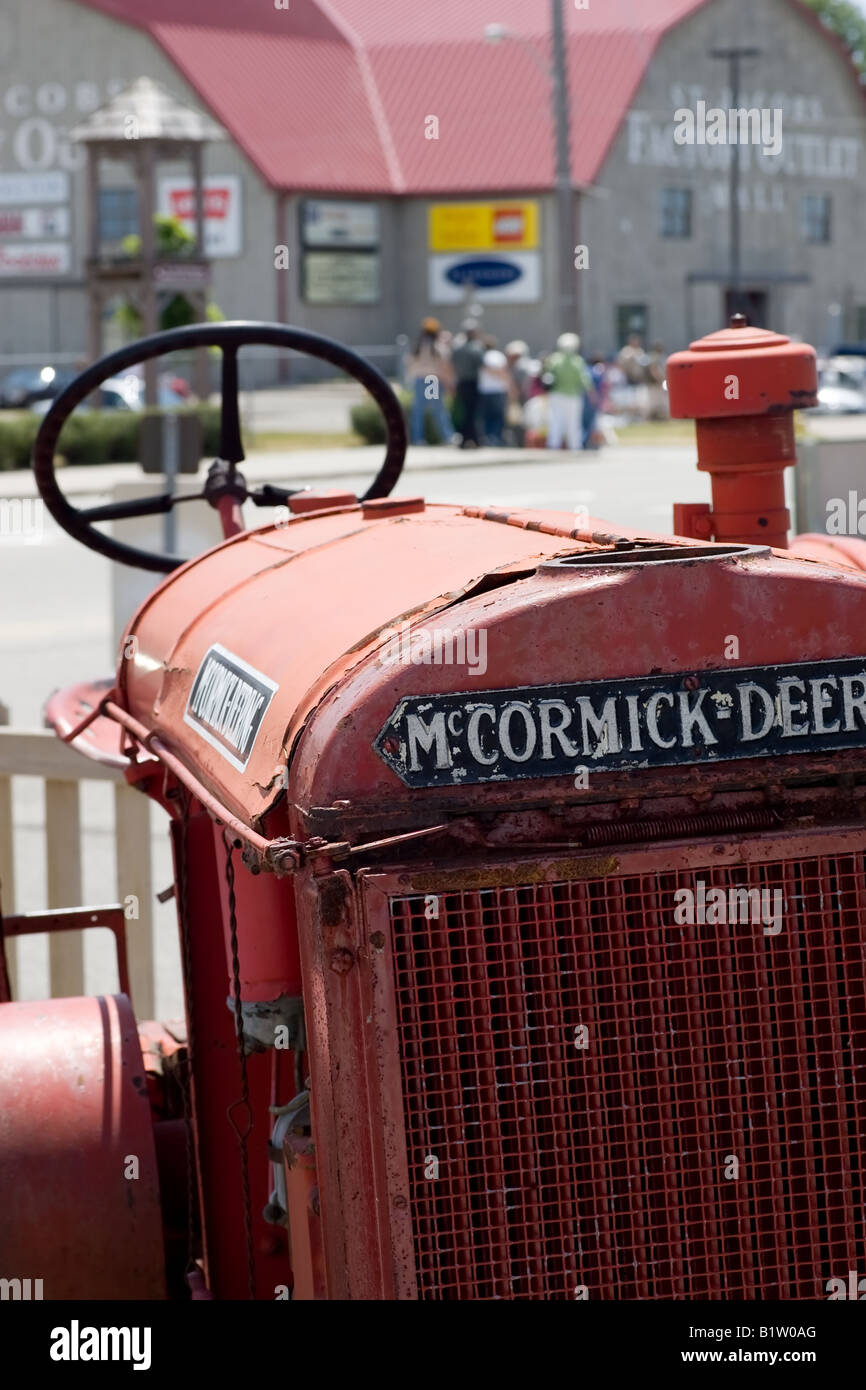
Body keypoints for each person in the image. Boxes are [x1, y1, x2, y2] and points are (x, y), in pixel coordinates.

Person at [406, 317, 454, 444]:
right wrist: (449, 382)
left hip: (419, 379)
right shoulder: (438, 346)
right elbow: (444, 366)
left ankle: (417, 439)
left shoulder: (417, 346)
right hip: (432, 379)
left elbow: (409, 363)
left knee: (418, 411)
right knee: (438, 410)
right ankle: (447, 436)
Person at [543, 332, 594, 451]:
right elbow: (585, 380)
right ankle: (575, 446)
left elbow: (547, 377)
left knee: (556, 420)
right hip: (573, 395)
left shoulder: (554, 359)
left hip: (556, 395)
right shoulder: (577, 361)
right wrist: (591, 393)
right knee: (573, 421)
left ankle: (553, 445)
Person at [450, 318, 485, 448]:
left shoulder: (457, 348)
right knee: (472, 412)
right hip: (472, 383)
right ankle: (473, 439)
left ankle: (465, 438)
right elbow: (481, 363)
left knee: (463, 412)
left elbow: (451, 365)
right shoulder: (475, 348)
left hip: (460, 383)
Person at [477, 335, 509, 446]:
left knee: (487, 416)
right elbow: (503, 372)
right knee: (497, 416)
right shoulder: (498, 356)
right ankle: (494, 437)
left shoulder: (481, 355)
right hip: (497, 390)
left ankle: (488, 437)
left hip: (484, 390)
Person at [504, 340, 532, 446]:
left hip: (523, 398)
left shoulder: (520, 366)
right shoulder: (529, 364)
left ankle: (522, 443)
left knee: (520, 423)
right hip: (528, 398)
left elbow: (521, 385)